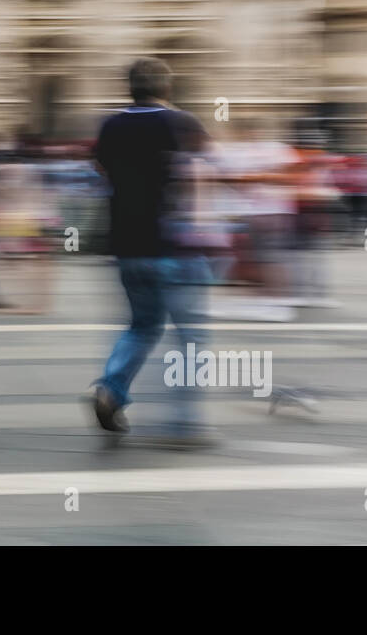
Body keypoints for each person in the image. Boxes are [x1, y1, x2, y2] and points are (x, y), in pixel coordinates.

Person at [87, 57, 214, 445]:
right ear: (167, 88)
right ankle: (184, 423)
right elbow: (203, 167)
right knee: (191, 335)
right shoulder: (179, 123)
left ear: (129, 88)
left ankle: (111, 388)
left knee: (142, 324)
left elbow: (100, 170)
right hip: (172, 245)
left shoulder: (110, 125)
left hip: (126, 245)